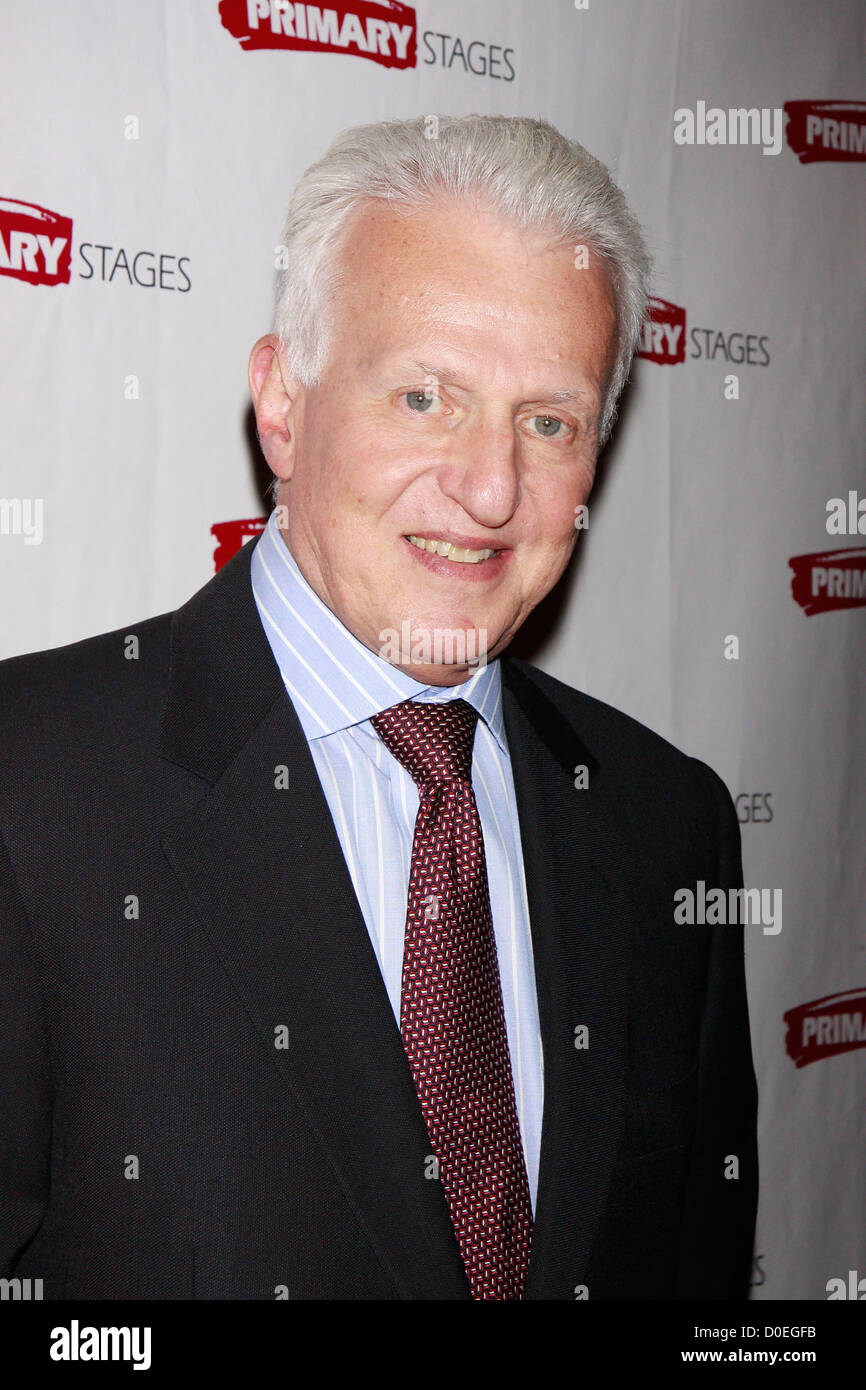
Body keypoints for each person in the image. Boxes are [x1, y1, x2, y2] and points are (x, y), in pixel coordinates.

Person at [0, 114, 757, 1300]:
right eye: (424, 396)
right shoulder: (31, 786)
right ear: (282, 404)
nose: (490, 485)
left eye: (547, 421)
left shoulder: (671, 823)